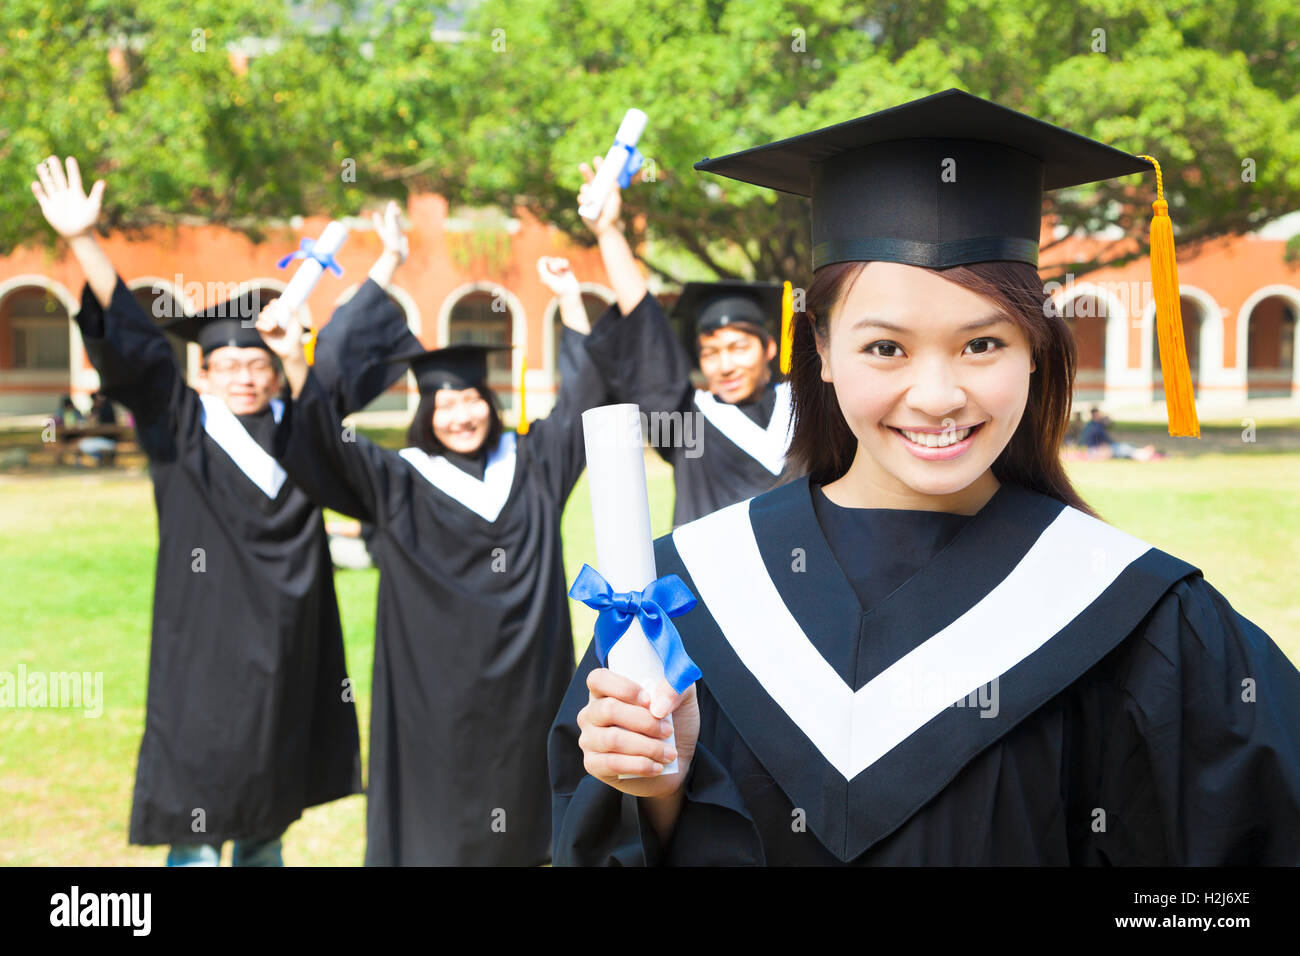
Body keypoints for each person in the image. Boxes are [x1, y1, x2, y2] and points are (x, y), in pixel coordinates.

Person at [548, 89, 1300, 865]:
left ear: (1036, 348)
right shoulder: (684, 598)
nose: (938, 396)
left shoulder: (1132, 612)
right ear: (823, 349)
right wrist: (659, 794)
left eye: (982, 345)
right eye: (886, 348)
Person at [32, 156, 413, 866]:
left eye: (256, 365)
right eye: (226, 365)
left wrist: (387, 259)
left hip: (291, 646)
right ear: (201, 371)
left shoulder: (302, 423)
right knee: (200, 815)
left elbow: (343, 350)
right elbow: (138, 349)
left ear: (273, 369)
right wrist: (86, 240)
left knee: (270, 808)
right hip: (202, 650)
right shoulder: (178, 425)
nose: (242, 374)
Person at [256, 255, 610, 865]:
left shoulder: (534, 466)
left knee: (528, 828)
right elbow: (323, 445)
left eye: (470, 400)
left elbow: (584, 401)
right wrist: (293, 361)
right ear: (426, 413)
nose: (460, 415)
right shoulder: (398, 481)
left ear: (488, 401)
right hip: (435, 698)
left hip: (528, 693)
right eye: (444, 406)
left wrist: (571, 300)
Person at [575, 159, 794, 526]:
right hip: (705, 583)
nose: (725, 365)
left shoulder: (805, 414)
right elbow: (648, 333)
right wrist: (608, 232)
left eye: (739, 348)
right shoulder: (687, 424)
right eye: (710, 352)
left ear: (770, 349)